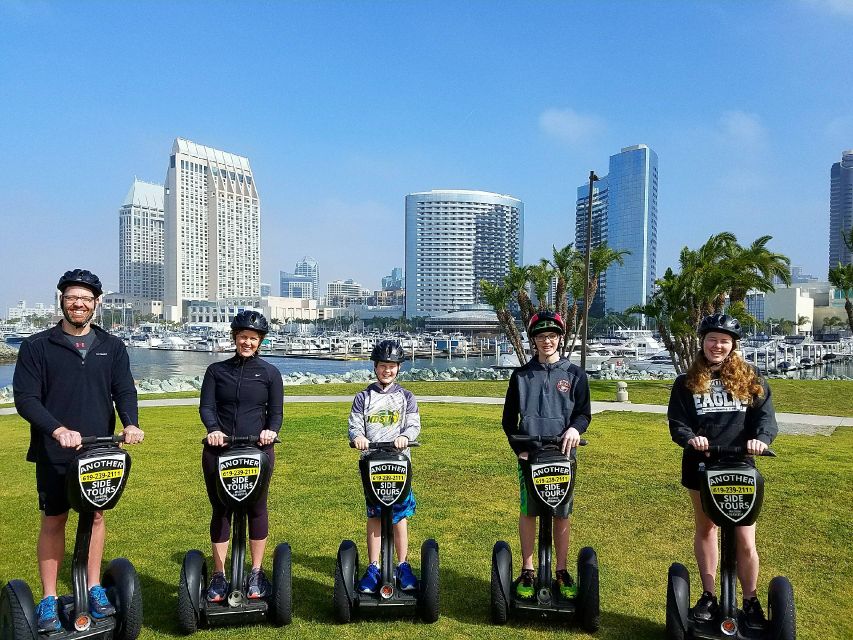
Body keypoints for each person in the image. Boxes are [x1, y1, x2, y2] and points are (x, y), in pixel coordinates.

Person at [13, 269, 144, 632]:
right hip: (55, 451)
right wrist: (57, 429)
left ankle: (93, 586)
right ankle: (50, 598)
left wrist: (130, 423)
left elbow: (124, 391)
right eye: (73, 297)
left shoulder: (112, 346)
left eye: (86, 299)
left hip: (99, 450)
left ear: (96, 304)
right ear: (62, 300)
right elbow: (25, 399)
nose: (79, 304)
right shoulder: (38, 346)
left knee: (96, 517)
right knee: (54, 520)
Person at [668, 313, 778, 629]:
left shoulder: (750, 377)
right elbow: (678, 422)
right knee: (706, 529)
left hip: (740, 464)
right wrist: (691, 438)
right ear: (702, 342)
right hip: (701, 464)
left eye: (724, 341)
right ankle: (708, 595)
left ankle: (751, 601)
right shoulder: (686, 381)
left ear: (733, 345)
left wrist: (761, 439)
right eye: (712, 339)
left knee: (745, 538)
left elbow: (765, 419)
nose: (718, 345)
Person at [501, 310, 591, 599]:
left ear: (560, 338)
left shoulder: (575, 375)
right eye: (541, 336)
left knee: (562, 514)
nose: (547, 341)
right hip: (530, 455)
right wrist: (521, 449)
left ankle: (561, 571)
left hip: (563, 455)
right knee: (529, 511)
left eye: (552, 336)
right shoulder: (521, 376)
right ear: (533, 340)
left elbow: (583, 414)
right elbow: (508, 421)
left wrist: (575, 429)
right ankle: (528, 569)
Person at [199, 310, 283, 602]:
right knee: (221, 509)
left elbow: (276, 413)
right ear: (235, 337)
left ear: (261, 342)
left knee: (257, 508)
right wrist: (213, 430)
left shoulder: (270, 373)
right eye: (243, 337)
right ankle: (219, 575)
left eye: (254, 338)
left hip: (257, 449)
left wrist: (270, 431)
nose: (248, 342)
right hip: (219, 449)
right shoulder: (216, 371)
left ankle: (257, 572)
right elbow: (207, 407)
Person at [348, 339, 422, 594]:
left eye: (391, 366)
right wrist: (358, 437)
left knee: (399, 517)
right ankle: (374, 566)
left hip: (400, 464)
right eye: (382, 366)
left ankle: (402, 564)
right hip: (372, 464)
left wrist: (406, 438)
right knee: (375, 516)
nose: (387, 370)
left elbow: (413, 425)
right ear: (375, 367)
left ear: (398, 368)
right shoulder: (363, 397)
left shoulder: (406, 398)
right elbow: (355, 424)